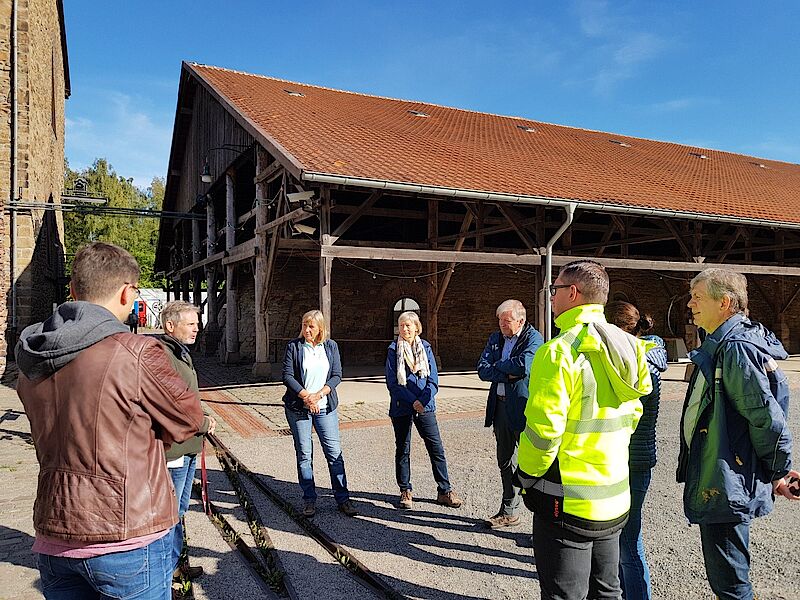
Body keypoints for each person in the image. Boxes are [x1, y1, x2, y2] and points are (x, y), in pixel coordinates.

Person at [15, 242, 204, 600]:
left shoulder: (34, 358)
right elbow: (189, 418)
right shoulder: (136, 353)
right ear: (127, 293)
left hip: (55, 529)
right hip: (127, 535)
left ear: (72, 292)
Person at [516, 259, 652, 600]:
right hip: (614, 498)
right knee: (608, 591)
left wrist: (526, 475)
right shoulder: (631, 347)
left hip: (569, 502)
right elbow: (633, 415)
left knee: (565, 594)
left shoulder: (558, 351)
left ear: (572, 293)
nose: (551, 297)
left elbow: (543, 432)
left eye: (555, 290)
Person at [679, 268, 798, 599]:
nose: (690, 304)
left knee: (730, 583)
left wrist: (776, 469)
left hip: (726, 479)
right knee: (729, 576)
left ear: (725, 303)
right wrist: (776, 472)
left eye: (698, 297)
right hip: (726, 472)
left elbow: (767, 420)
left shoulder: (734, 349)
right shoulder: (722, 344)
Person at [605, 301, 667, 600]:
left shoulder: (632, 365)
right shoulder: (651, 356)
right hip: (641, 458)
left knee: (628, 541)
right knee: (625, 539)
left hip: (630, 458)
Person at [159, 301, 217, 586]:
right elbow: (172, 404)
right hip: (176, 447)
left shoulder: (180, 353)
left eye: (197, 323)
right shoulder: (164, 355)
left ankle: (176, 566)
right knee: (170, 513)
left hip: (190, 444)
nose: (197, 328)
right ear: (171, 326)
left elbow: (186, 397)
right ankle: (166, 571)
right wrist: (202, 423)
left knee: (180, 511)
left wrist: (201, 414)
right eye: (191, 324)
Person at [282, 310, 358, 517]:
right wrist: (306, 396)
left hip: (325, 406)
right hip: (299, 407)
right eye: (305, 325)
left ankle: (343, 499)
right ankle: (309, 500)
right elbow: (287, 376)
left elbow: (337, 375)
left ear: (320, 328)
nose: (307, 329)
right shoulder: (294, 347)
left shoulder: (331, 347)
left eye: (311, 326)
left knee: (334, 453)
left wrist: (319, 395)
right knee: (305, 454)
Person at [385, 311, 463, 510]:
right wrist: (413, 402)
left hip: (426, 406)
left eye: (409, 325)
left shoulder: (425, 347)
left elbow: (433, 381)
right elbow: (393, 383)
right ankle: (405, 490)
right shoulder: (393, 349)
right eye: (401, 326)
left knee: (435, 447)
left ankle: (444, 490)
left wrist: (423, 400)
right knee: (403, 448)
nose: (405, 329)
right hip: (402, 406)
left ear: (416, 327)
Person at [477, 299, 543, 529]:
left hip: (523, 407)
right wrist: (506, 371)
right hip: (500, 407)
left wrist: (498, 366)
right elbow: (482, 370)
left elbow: (525, 365)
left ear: (521, 320)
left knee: (532, 463)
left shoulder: (533, 338)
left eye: (506, 321)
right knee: (505, 461)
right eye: (499, 321)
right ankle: (508, 510)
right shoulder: (495, 338)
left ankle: (541, 519)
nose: (501, 325)